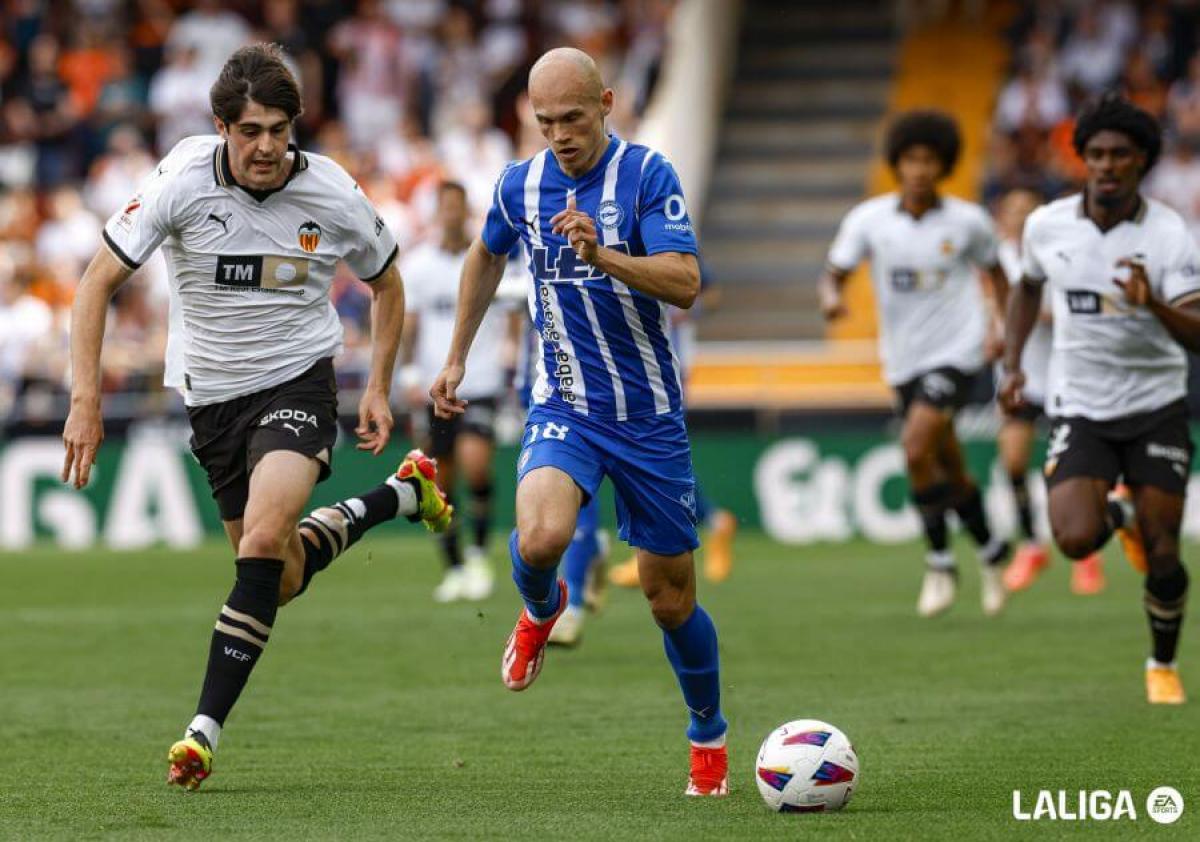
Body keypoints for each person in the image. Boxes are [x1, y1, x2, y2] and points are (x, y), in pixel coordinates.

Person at [60, 44, 452, 791]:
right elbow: (95, 284)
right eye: (251, 132)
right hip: (210, 400)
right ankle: (401, 494)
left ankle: (201, 733)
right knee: (278, 576)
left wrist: (376, 387)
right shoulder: (179, 179)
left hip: (298, 381)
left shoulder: (332, 192)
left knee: (266, 541)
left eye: (279, 129)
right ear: (222, 128)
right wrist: (85, 400)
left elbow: (389, 284)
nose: (267, 146)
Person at [430, 47, 729, 795]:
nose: (560, 134)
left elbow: (686, 281)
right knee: (541, 537)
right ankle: (543, 607)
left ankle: (707, 732)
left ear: (607, 103)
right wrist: (456, 355)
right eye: (545, 122)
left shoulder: (647, 175)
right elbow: (484, 258)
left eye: (572, 117)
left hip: (649, 417)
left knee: (670, 600)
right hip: (563, 401)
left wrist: (607, 256)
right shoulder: (518, 184)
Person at [1001, 94, 1198, 705]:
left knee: (1165, 550)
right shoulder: (1046, 225)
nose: (1107, 165)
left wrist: (1153, 304)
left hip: (1157, 403)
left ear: (1142, 161)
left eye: (1121, 155)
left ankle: (1161, 665)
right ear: (1081, 158)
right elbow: (1026, 288)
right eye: (1096, 154)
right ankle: (1121, 516)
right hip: (1080, 402)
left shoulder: (1171, 235)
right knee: (1075, 539)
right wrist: (1011, 365)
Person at [819, 109, 1011, 618]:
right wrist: (831, 300)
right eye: (911, 160)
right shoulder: (870, 220)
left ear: (943, 165)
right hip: (903, 359)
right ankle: (992, 551)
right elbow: (833, 273)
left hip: (958, 351)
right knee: (944, 462)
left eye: (929, 160)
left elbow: (1000, 275)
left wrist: (1002, 330)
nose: (920, 169)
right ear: (897, 164)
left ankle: (941, 561)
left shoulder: (968, 221)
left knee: (914, 445)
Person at [401, 180, 518, 603]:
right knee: (440, 480)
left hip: (481, 380)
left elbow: (513, 313)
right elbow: (410, 325)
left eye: (457, 206)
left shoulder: (487, 258)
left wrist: (510, 358)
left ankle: (477, 554)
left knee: (476, 466)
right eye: (445, 206)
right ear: (437, 212)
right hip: (436, 386)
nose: (451, 214)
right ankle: (453, 567)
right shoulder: (418, 266)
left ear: (466, 210)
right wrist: (410, 374)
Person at [993, 188, 1106, 596]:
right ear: (1001, 218)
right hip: (1020, 377)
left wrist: (1030, 316)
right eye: (1013, 211)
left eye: (1028, 211)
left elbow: (1064, 309)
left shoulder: (1057, 252)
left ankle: (1087, 555)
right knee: (1012, 461)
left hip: (1063, 378)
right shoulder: (998, 260)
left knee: (1067, 470)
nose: (1020, 218)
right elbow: (991, 307)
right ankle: (1031, 545)